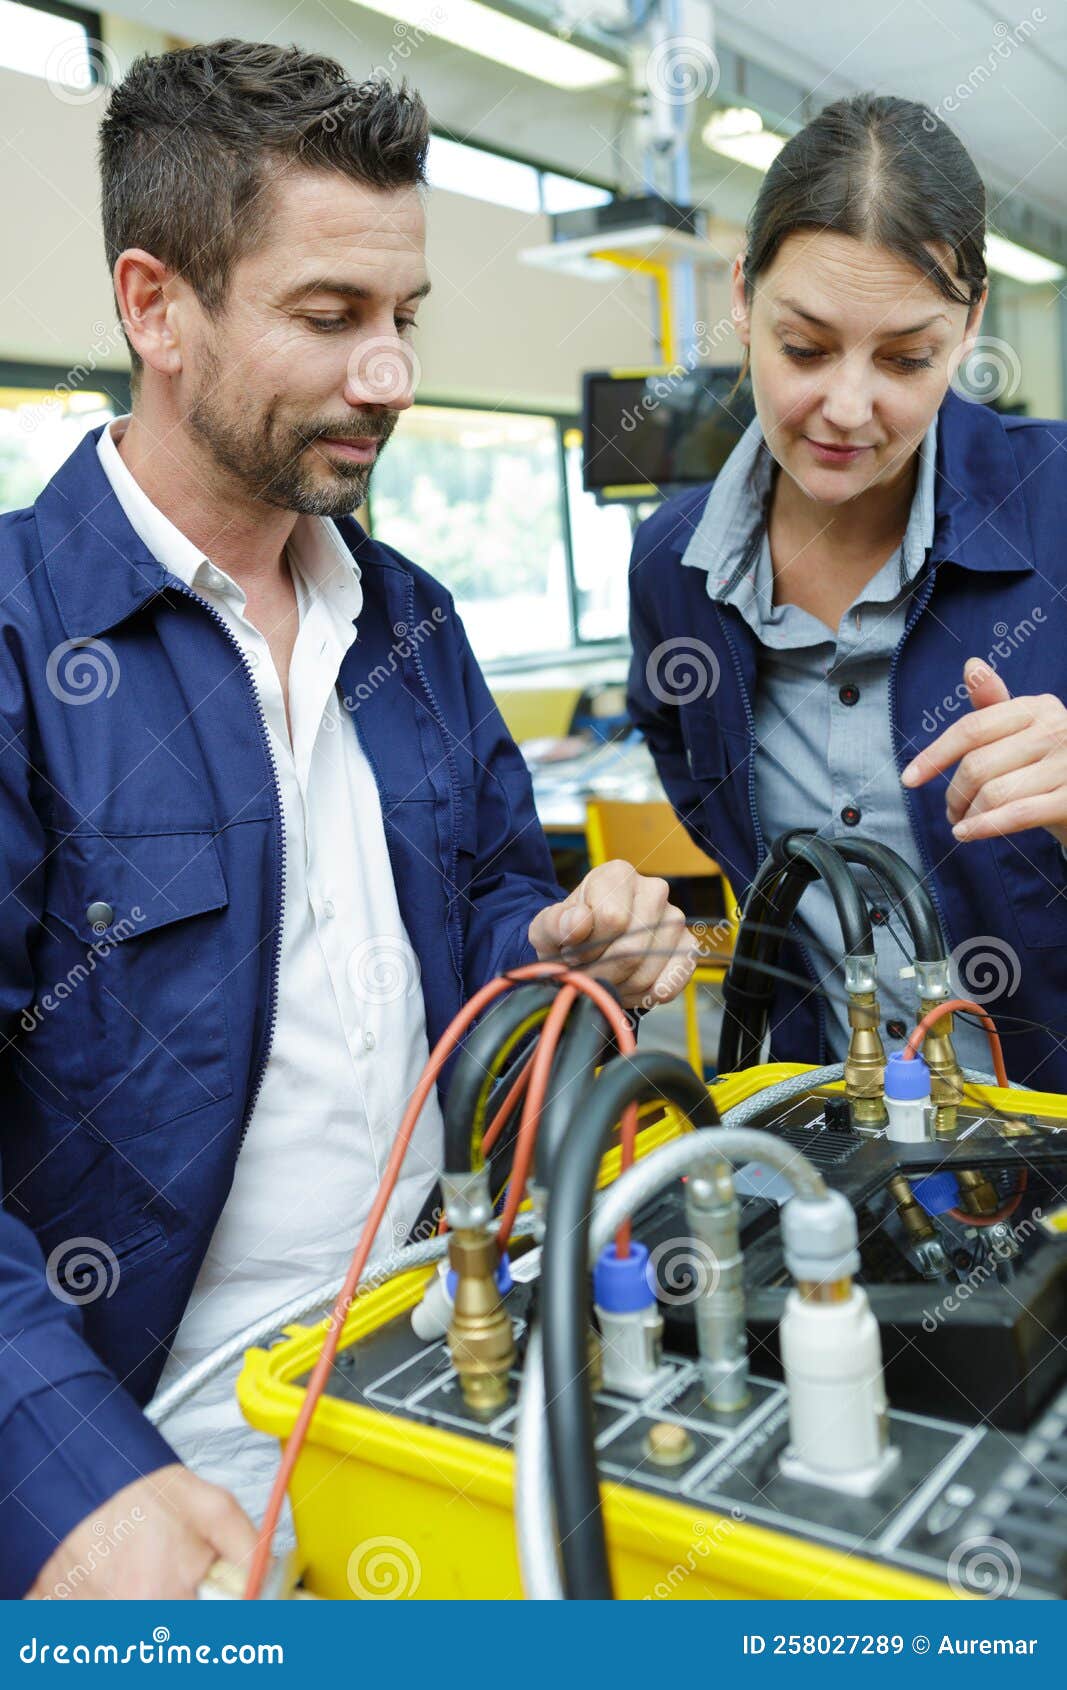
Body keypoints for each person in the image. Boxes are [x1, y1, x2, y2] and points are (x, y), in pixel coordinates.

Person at [0, 40, 697, 1599]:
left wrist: (566, 944)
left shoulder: (410, 621)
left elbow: (488, 917)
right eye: (329, 318)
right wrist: (59, 1468)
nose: (389, 373)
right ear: (153, 305)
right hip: (163, 1487)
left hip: (439, 1375)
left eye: (403, 318)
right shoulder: (19, 644)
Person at [628, 92, 1067, 1089]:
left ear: (968, 328)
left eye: (906, 357)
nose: (846, 407)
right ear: (741, 294)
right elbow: (689, 765)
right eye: (803, 346)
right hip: (832, 1149)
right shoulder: (672, 565)